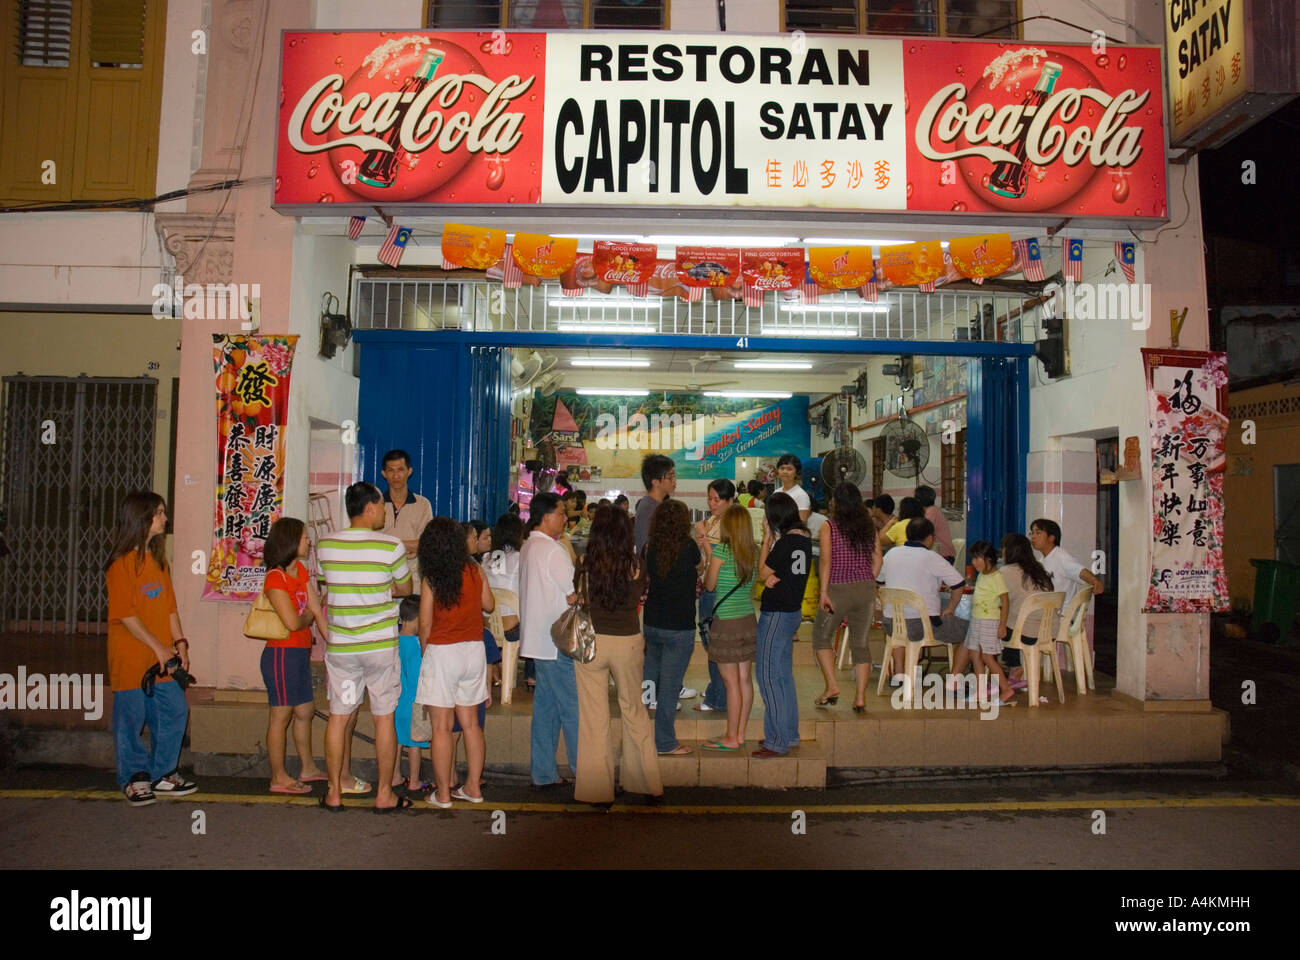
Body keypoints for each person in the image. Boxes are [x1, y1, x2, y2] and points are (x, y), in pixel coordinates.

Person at [316, 481, 414, 813]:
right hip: (380, 648)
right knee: (383, 717)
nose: (385, 510)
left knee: (339, 717)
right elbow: (405, 588)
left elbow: (326, 585)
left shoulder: (325, 544)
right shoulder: (391, 546)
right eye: (382, 505)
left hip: (343, 648)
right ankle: (385, 795)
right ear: (369, 507)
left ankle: (333, 793)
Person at [105, 492, 197, 805]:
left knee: (175, 709)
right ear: (142, 518)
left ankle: (162, 774)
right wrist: (159, 647)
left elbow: (170, 608)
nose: (164, 518)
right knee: (131, 718)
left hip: (161, 657)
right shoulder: (121, 565)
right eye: (159, 512)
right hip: (132, 656)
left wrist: (180, 642)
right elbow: (126, 615)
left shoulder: (159, 563)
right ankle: (133, 777)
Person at [575, 504, 663, 804]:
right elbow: (640, 596)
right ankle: (646, 783)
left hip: (594, 644)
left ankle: (596, 790)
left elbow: (581, 599)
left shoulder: (586, 562)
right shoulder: (636, 564)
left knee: (593, 716)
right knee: (633, 710)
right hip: (627, 642)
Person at [414, 516, 494, 807]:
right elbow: (490, 605)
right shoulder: (474, 570)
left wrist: (427, 655)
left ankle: (444, 794)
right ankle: (473, 787)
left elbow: (424, 624)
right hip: (473, 650)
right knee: (471, 725)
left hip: (442, 651)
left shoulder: (432, 577)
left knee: (441, 728)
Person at [259, 517, 328, 794]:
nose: (309, 541)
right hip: (280, 656)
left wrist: (333, 644)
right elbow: (293, 622)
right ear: (289, 542)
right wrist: (310, 616)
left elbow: (314, 609)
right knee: (281, 716)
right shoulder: (275, 578)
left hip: (298, 653)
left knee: (305, 711)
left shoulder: (298, 570)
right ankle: (279, 777)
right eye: (303, 538)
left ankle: (308, 767)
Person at [519, 491, 579, 787]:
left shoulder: (529, 546)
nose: (565, 518)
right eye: (561, 513)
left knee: (546, 709)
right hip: (558, 642)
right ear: (546, 517)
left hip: (539, 640)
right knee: (573, 707)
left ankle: (543, 773)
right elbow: (572, 591)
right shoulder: (553, 551)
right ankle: (586, 771)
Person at [812, 482, 882, 711]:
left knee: (821, 637)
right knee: (860, 644)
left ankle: (832, 686)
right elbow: (878, 560)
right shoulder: (869, 527)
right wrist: (866, 580)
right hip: (866, 590)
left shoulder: (829, 527)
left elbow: (825, 561)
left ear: (836, 503)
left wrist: (823, 592)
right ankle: (861, 698)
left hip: (837, 590)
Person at [875, 517, 968, 684]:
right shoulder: (932, 557)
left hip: (890, 624)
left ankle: (899, 674)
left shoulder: (891, 554)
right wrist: (951, 608)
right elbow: (958, 584)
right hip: (922, 627)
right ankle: (954, 681)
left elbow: (880, 581)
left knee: (901, 629)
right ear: (929, 538)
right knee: (971, 632)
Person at [753, 493, 811, 757]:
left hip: (776, 614)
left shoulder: (786, 542)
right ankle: (789, 734)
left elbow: (762, 571)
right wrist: (771, 576)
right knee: (784, 676)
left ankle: (776, 739)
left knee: (767, 676)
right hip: (792, 613)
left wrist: (767, 539)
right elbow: (773, 574)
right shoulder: (804, 540)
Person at [644, 499, 702, 755]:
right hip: (679, 626)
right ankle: (665, 742)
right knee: (669, 689)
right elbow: (700, 571)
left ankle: (641, 735)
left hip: (652, 623)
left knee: (649, 682)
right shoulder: (689, 547)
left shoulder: (650, 547)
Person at [701, 504, 758, 751]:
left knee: (731, 683)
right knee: (745, 680)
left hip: (726, 622)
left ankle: (731, 737)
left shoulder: (722, 551)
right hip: (747, 619)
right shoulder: (753, 552)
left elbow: (709, 585)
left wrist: (707, 555)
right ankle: (741, 734)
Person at [692, 478, 735, 713]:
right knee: (712, 644)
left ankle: (717, 699)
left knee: (716, 644)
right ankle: (716, 689)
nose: (712, 504)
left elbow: (720, 559)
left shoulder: (730, 524)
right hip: (708, 584)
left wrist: (705, 540)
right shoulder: (711, 521)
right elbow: (703, 561)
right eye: (709, 498)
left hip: (719, 589)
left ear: (730, 500)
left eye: (717, 499)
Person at [999, 533, 1057, 690]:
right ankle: (1012, 666)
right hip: (1049, 633)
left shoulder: (1005, 572)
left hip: (1025, 634)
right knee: (1012, 620)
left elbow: (996, 602)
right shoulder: (1039, 569)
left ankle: (1012, 666)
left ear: (1008, 551)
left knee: (997, 625)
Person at [961, 541, 1015, 704]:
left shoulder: (996, 576)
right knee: (974, 654)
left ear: (989, 558)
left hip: (989, 622)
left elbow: (1005, 601)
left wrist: (1002, 624)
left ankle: (1006, 689)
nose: (975, 562)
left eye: (979, 558)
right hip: (977, 620)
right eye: (973, 558)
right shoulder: (982, 574)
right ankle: (980, 690)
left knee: (988, 657)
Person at [483, 512, 525, 689]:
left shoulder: (486, 558)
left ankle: (499, 667)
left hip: (488, 627)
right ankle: (532, 676)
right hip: (511, 629)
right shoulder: (520, 558)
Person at [393, 596, 430, 793]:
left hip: (396, 701)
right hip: (415, 702)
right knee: (415, 743)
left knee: (397, 741)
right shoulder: (416, 646)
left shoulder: (395, 641)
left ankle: (394, 776)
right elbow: (417, 676)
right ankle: (414, 780)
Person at [380, 449, 434, 587]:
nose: (396, 475)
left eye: (400, 470)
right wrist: (407, 546)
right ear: (384, 474)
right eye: (391, 470)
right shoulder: (376, 504)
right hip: (381, 581)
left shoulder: (423, 504)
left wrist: (389, 544)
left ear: (409, 471)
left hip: (414, 582)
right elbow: (370, 544)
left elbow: (426, 544)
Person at [633, 454, 676, 554]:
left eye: (674, 475)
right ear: (656, 482)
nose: (674, 480)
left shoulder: (658, 505)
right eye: (670, 476)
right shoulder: (648, 508)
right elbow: (646, 548)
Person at [915, 485, 955, 563]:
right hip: (938, 554)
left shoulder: (931, 512)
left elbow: (921, 533)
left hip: (944, 556)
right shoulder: (931, 510)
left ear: (919, 500)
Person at [775, 453, 811, 522]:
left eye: (789, 469)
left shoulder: (801, 495)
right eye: (782, 468)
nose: (785, 472)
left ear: (797, 472)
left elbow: (801, 523)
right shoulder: (776, 492)